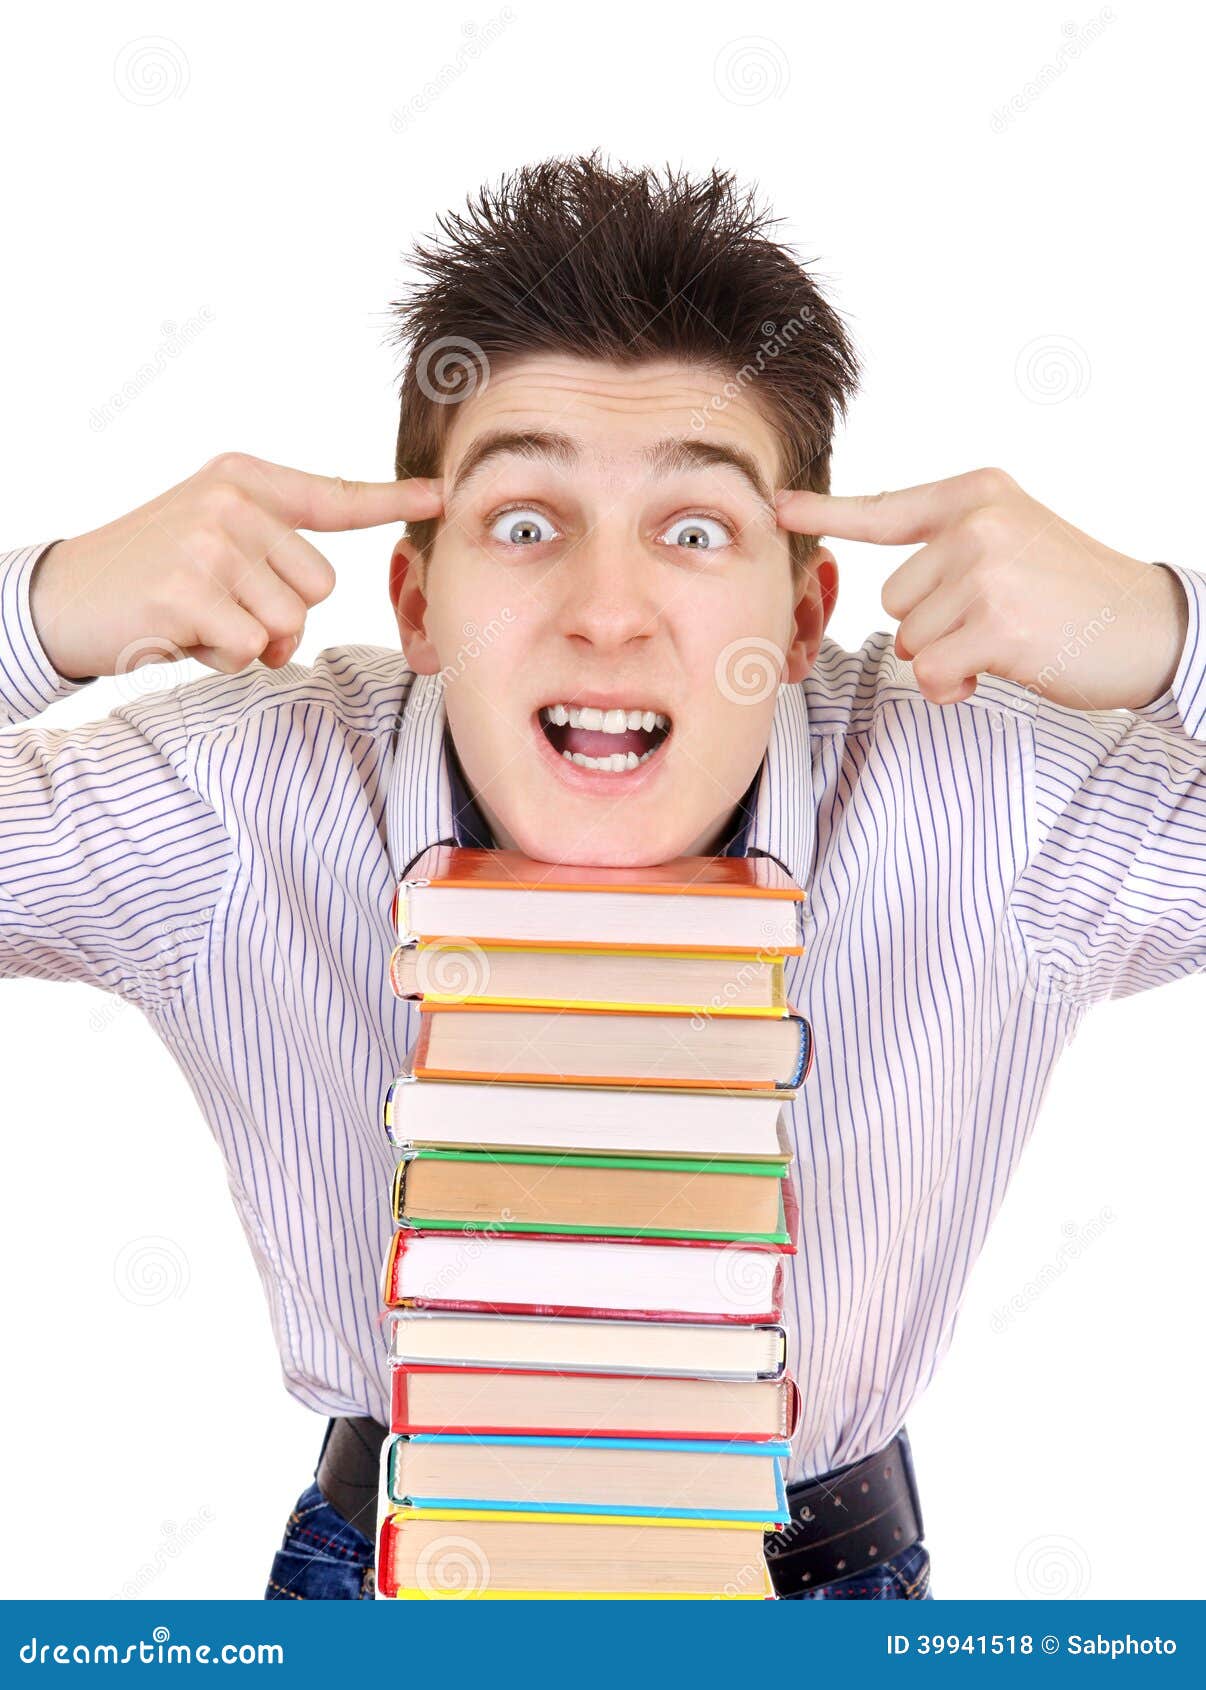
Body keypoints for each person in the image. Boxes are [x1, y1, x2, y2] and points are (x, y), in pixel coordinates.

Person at [2, 155, 1201, 1602]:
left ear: (804, 602)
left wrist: (1163, 629)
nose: (609, 612)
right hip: (392, 1579)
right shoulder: (237, 792)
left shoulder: (987, 788)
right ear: (413, 597)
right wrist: (46, 608)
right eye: (522, 523)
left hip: (815, 1588)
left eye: (695, 531)